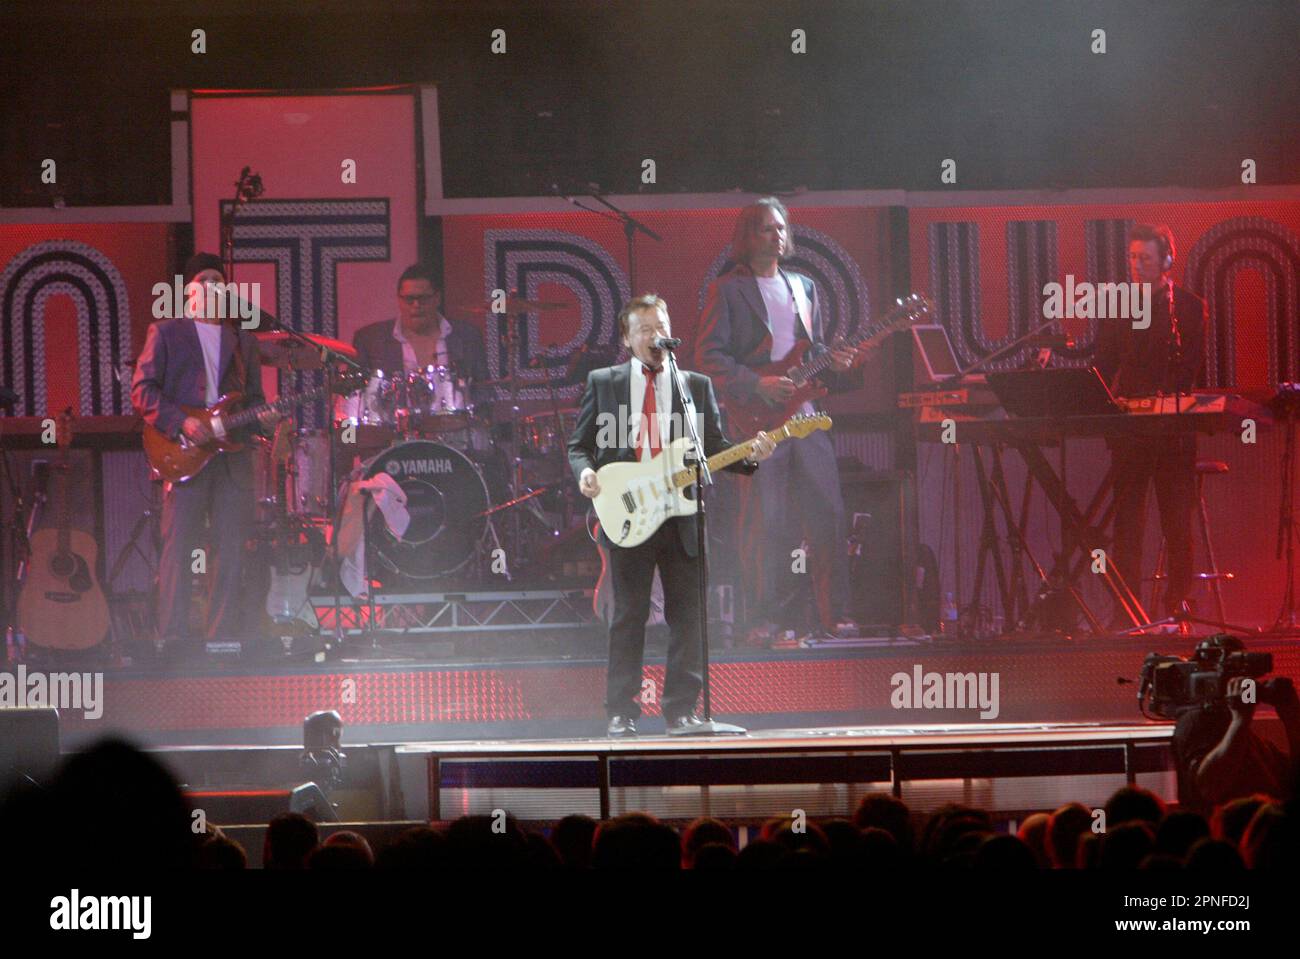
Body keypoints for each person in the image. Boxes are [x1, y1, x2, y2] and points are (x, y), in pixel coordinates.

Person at [567, 294, 775, 736]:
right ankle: (621, 712)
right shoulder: (604, 382)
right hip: (628, 509)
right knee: (629, 614)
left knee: (689, 614)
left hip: (682, 513)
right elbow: (579, 444)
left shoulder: (694, 385)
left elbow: (713, 448)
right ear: (627, 338)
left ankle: (682, 711)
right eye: (643, 329)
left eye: (659, 326)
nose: (653, 336)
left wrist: (751, 455)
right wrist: (585, 472)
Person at [696, 197, 858, 641]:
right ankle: (763, 618)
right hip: (759, 424)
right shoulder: (727, 289)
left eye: (782, 228)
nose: (778, 235)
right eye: (767, 228)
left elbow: (814, 351)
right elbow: (709, 357)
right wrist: (756, 385)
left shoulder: (804, 286)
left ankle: (834, 615)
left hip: (806, 418)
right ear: (748, 236)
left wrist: (835, 363)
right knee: (764, 522)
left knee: (828, 513)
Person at [131, 252, 281, 657]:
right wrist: (181, 422)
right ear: (188, 290)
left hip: (231, 456)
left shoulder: (243, 340)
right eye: (205, 279)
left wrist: (264, 421)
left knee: (231, 547)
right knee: (181, 546)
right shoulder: (166, 332)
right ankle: (174, 640)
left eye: (219, 279)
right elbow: (142, 390)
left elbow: (253, 401)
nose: (214, 285)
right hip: (185, 452)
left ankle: (223, 639)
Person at [1093, 223, 1207, 623]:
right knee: (1127, 525)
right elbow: (1103, 366)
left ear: (1167, 261)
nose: (1137, 265)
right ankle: (1127, 611)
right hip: (1131, 431)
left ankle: (1178, 605)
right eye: (1132, 257)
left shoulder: (1189, 307)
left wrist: (1161, 402)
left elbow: (1190, 367)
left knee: (1177, 522)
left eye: (1145, 258)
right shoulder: (1118, 305)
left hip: (1172, 431)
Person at [338, 263, 490, 429]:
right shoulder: (370, 339)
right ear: (399, 299)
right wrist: (351, 440)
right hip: (393, 437)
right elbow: (353, 397)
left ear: (437, 298)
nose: (416, 305)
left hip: (455, 435)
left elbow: (484, 390)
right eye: (409, 299)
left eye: (423, 299)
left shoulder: (467, 336)